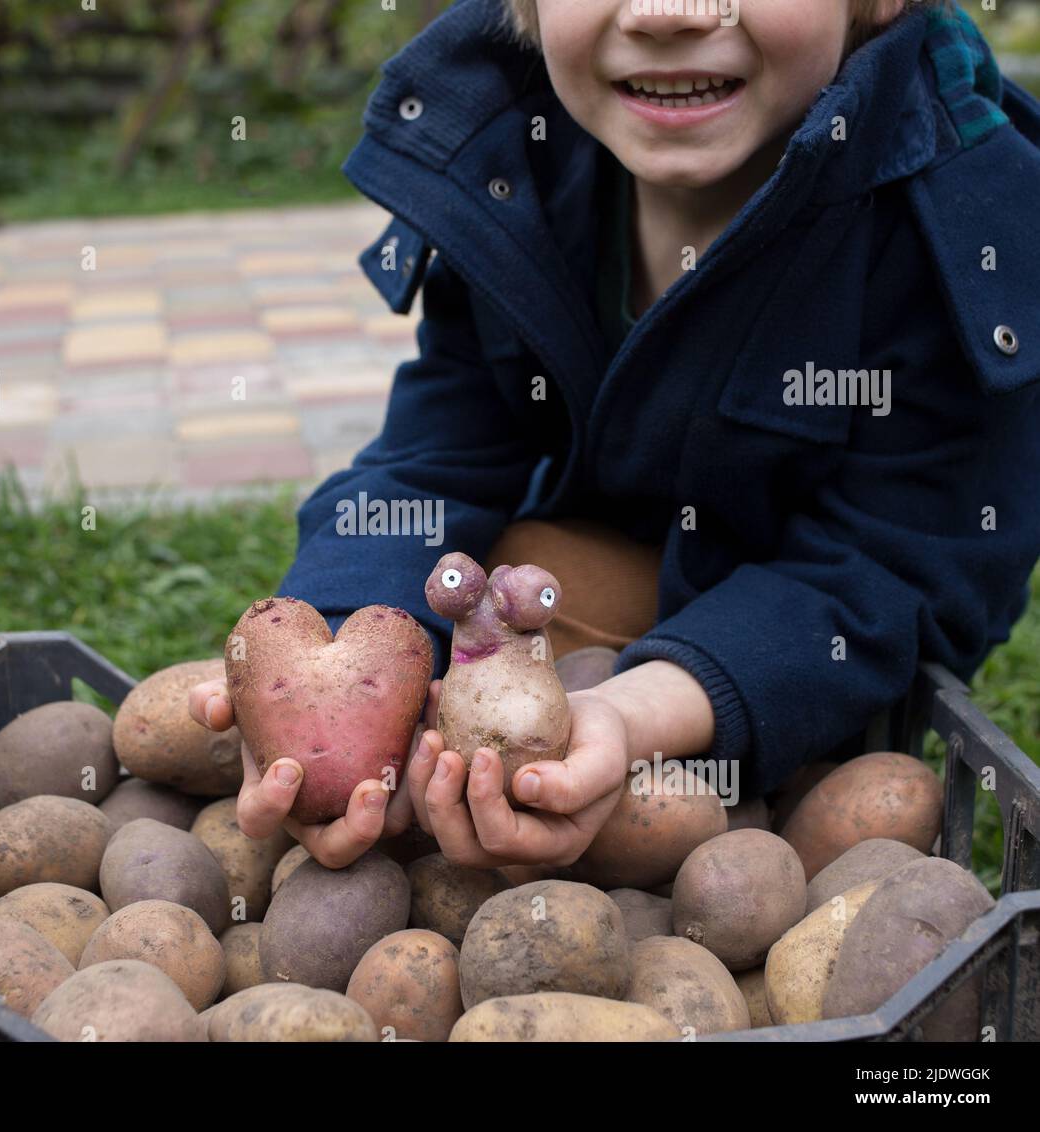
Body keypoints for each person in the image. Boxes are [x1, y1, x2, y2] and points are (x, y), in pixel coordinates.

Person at [191, 0, 1040, 869]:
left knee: (727, 794)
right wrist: (334, 659)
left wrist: (636, 715)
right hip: (593, 574)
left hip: (803, 650)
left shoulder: (967, 221)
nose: (668, 13)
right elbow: (435, 457)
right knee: (514, 575)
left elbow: (895, 572)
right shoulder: (506, 162)